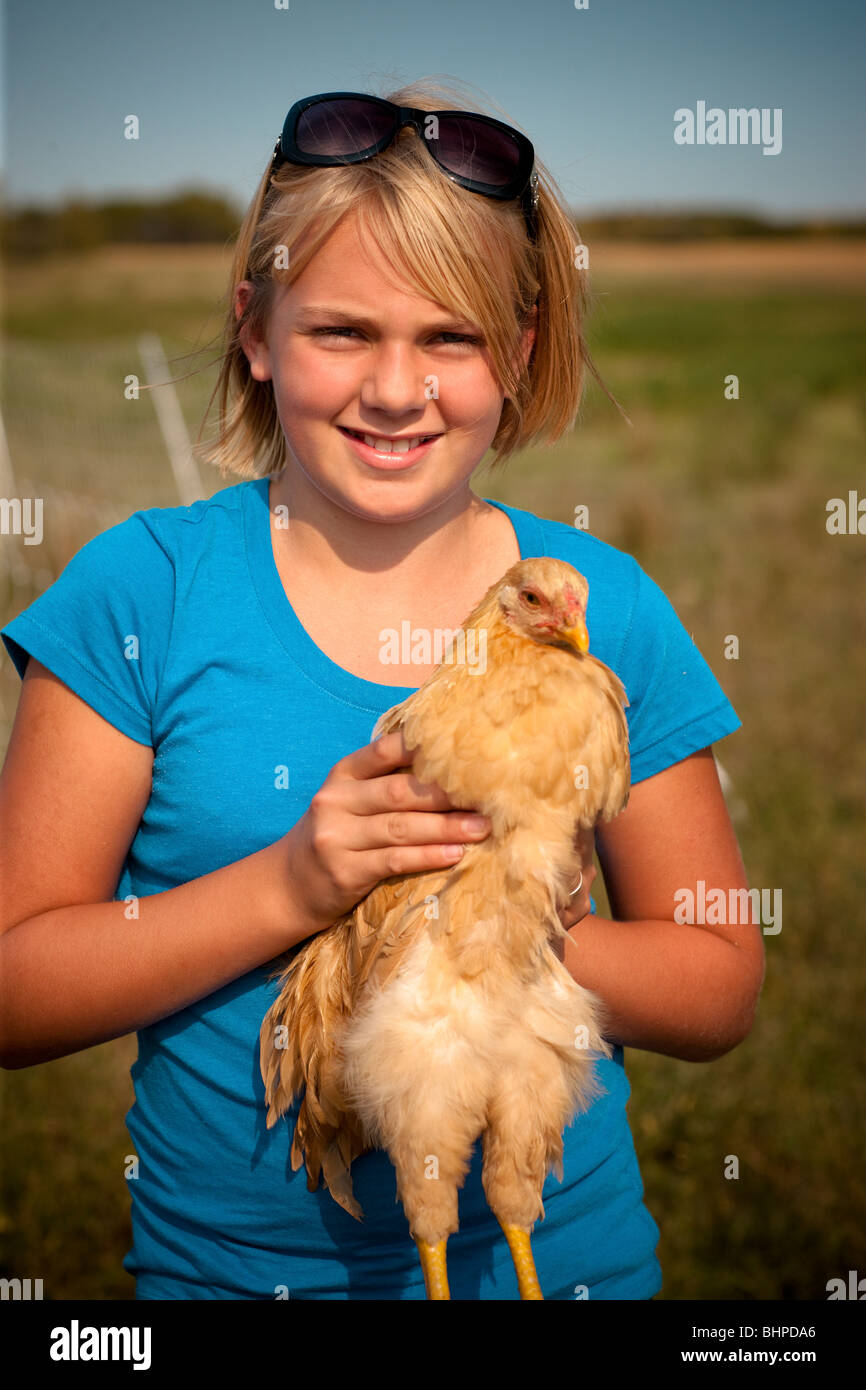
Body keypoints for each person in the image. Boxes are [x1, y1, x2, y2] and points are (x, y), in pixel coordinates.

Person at [0, 80, 764, 1300]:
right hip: (229, 1281)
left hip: (560, 1266)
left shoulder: (601, 612)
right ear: (255, 329)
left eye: (449, 338)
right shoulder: (143, 593)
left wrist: (526, 929)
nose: (397, 389)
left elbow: (720, 979)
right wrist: (295, 884)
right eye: (342, 331)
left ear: (514, 355)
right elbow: (13, 986)